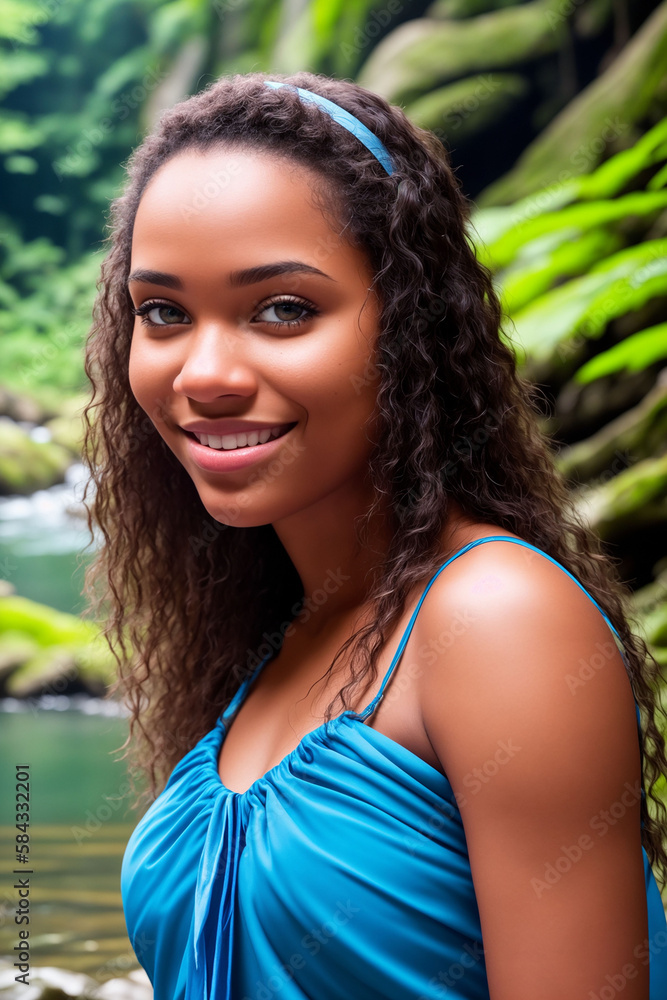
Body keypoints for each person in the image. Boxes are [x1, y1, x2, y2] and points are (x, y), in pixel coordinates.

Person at [80, 70, 667, 1000]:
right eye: (163, 313)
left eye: (282, 309)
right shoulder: (271, 633)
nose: (205, 372)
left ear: (410, 325)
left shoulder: (495, 620)